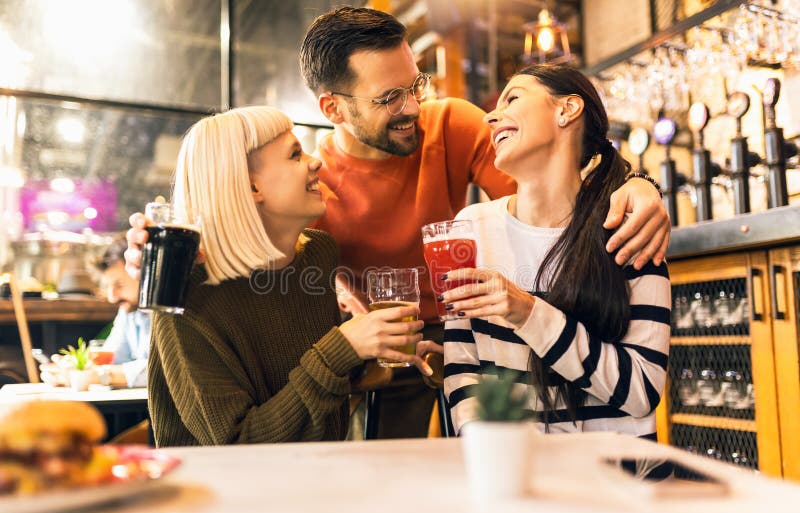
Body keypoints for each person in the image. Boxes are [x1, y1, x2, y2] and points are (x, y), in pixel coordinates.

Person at [128, 7, 670, 439]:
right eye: (389, 98)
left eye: (416, 85)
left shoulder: (451, 124)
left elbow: (555, 189)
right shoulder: (316, 195)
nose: (413, 106)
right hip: (387, 356)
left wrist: (636, 181)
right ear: (334, 108)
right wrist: (149, 260)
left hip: (482, 329)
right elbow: (241, 237)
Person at [143, 105, 431, 447]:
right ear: (251, 186)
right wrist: (344, 346)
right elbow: (239, 445)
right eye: (295, 155)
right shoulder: (184, 295)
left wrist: (371, 348)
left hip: (317, 484)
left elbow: (313, 379)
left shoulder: (318, 254)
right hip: (220, 496)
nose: (315, 161)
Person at [441, 65, 671, 440]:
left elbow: (641, 391)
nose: (491, 116)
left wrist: (527, 311)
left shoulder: (627, 228)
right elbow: (462, 368)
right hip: (518, 480)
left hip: (618, 482)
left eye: (512, 97)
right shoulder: (470, 229)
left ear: (567, 110)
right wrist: (492, 451)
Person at [96, 235, 150, 388]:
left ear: (144, 274)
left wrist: (99, 376)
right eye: (108, 286)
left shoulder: (170, 310)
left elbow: (163, 370)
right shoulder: (128, 311)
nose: (112, 297)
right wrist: (74, 368)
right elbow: (112, 357)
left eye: (119, 284)